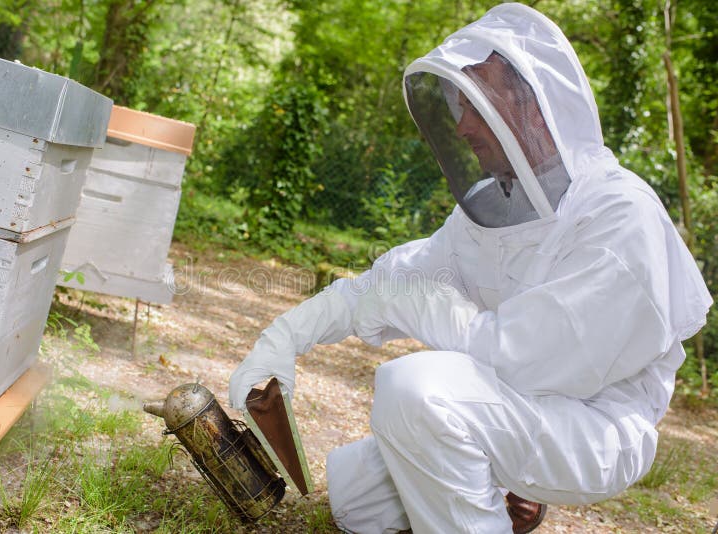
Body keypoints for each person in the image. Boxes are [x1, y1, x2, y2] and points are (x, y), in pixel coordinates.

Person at [229, 3, 712, 533]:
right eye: (458, 104)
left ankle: (499, 494)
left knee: (416, 391)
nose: (460, 125)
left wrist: (419, 303)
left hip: (595, 427)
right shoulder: (495, 205)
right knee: (353, 504)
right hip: (516, 408)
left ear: (531, 104)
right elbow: (388, 283)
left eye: (475, 104)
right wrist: (284, 337)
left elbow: (524, 358)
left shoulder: (620, 216)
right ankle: (498, 490)